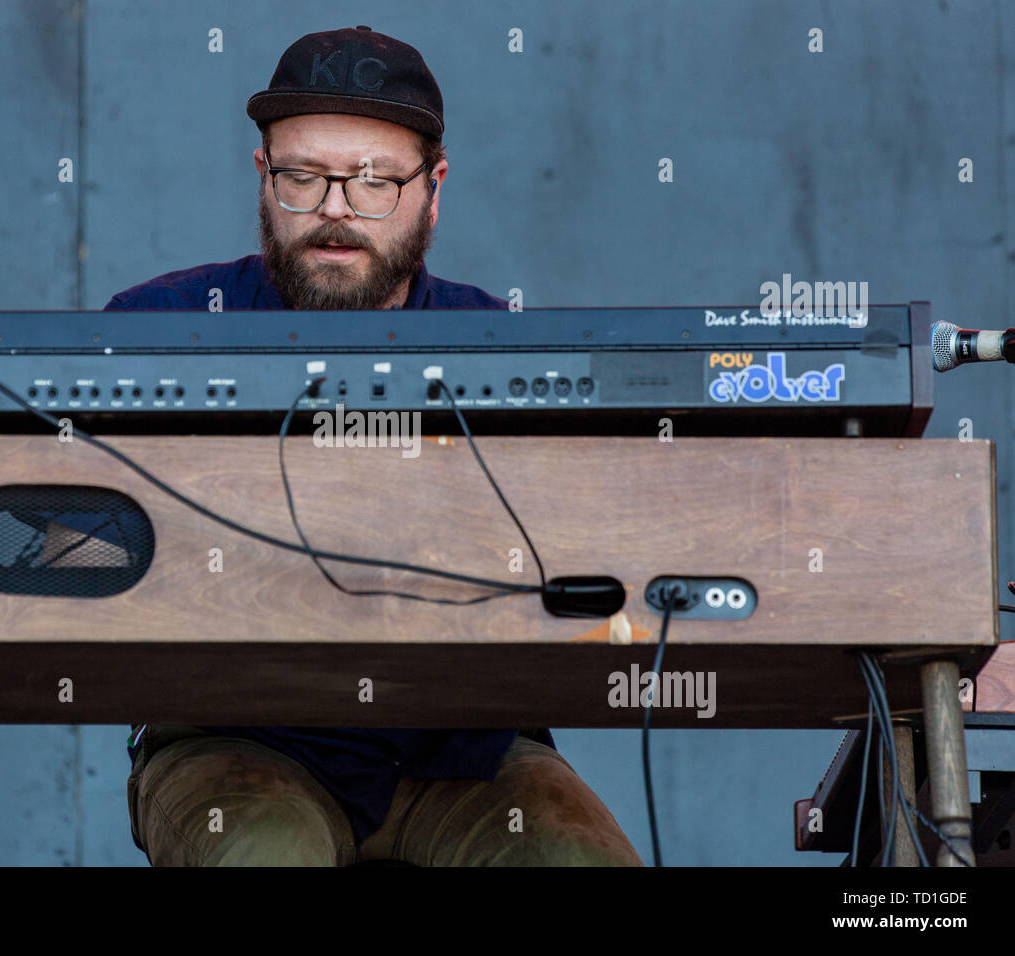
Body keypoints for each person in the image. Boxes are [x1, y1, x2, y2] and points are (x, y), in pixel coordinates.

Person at [109, 25, 642, 866]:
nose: (334, 209)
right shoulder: (156, 329)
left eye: (372, 183)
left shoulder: (499, 344)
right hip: (235, 738)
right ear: (262, 178)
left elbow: (592, 557)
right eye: (303, 178)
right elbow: (69, 546)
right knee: (265, 853)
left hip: (465, 754)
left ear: (433, 190)